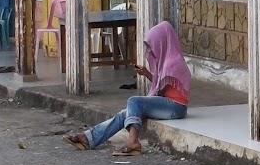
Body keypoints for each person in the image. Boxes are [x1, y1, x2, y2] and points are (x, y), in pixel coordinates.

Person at [65, 21, 189, 156]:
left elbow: (164, 89)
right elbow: (163, 84)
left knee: (134, 102)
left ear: (162, 42)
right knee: (125, 113)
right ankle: (89, 138)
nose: (151, 50)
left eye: (153, 46)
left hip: (175, 107)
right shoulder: (166, 61)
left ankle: (133, 141)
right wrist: (147, 73)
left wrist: (148, 88)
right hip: (167, 105)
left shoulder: (174, 63)